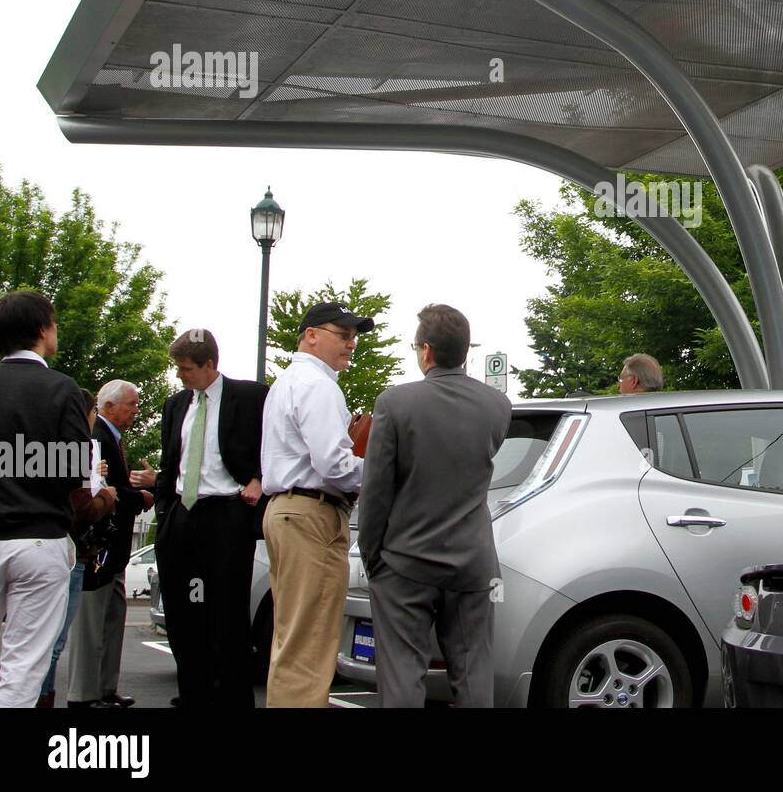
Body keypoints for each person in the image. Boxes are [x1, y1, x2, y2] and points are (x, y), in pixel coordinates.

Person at [361, 304, 511, 708]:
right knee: (474, 670)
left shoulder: (395, 404)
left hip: (406, 561)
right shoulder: (498, 406)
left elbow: (375, 491)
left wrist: (373, 557)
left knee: (403, 675)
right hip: (474, 565)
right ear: (465, 352)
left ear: (425, 351)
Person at [147, 330, 268, 708]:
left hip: (227, 515)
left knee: (227, 615)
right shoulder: (176, 404)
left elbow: (277, 443)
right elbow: (171, 463)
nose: (180, 375)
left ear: (210, 365)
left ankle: (232, 699)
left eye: (186, 369)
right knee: (184, 616)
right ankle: (193, 695)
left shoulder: (251, 397)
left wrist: (260, 479)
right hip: (182, 516)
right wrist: (164, 512)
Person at [260, 301, 371, 707]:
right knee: (308, 645)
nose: (352, 344)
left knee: (293, 638)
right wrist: (382, 470)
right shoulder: (317, 384)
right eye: (343, 335)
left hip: (289, 510)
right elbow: (334, 465)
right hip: (312, 513)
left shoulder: (289, 381)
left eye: (353, 336)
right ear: (311, 335)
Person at [0, 291, 91, 708]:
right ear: (41, 330)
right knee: (23, 664)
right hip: (38, 538)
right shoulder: (62, 389)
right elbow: (74, 471)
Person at [65, 379, 150, 708]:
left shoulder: (108, 438)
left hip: (112, 549)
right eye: (131, 404)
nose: (135, 410)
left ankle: (103, 688)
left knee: (111, 617)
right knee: (92, 622)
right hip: (98, 546)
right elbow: (103, 489)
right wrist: (141, 496)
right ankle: (84, 693)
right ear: (109, 406)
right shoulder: (97, 438)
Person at [37, 389, 117, 709]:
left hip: (41, 547)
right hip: (68, 553)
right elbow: (81, 509)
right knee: (52, 644)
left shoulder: (40, 446)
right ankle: (40, 700)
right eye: (93, 411)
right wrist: (107, 497)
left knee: (34, 642)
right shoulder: (76, 449)